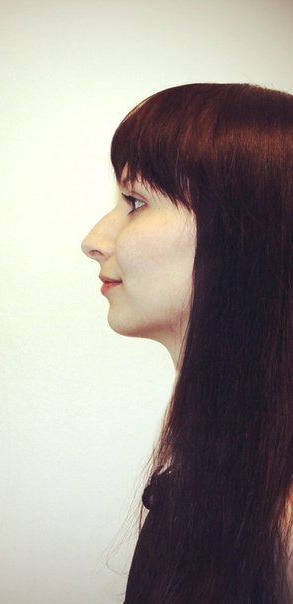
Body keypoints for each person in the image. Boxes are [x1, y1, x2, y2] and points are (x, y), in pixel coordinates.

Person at [81, 83, 293, 604]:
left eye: (135, 202)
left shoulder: (285, 526)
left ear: (246, 231)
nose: (94, 242)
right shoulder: (228, 469)